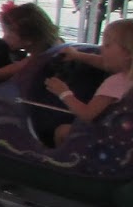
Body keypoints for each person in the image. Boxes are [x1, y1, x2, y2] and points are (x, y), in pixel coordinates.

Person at [46, 19, 133, 147]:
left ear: (127, 53)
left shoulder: (115, 83)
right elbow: (104, 63)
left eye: (107, 45)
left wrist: (63, 92)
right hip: (125, 135)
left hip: (110, 138)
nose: (101, 48)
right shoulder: (127, 75)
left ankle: (62, 165)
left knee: (62, 131)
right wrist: (77, 55)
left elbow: (86, 114)